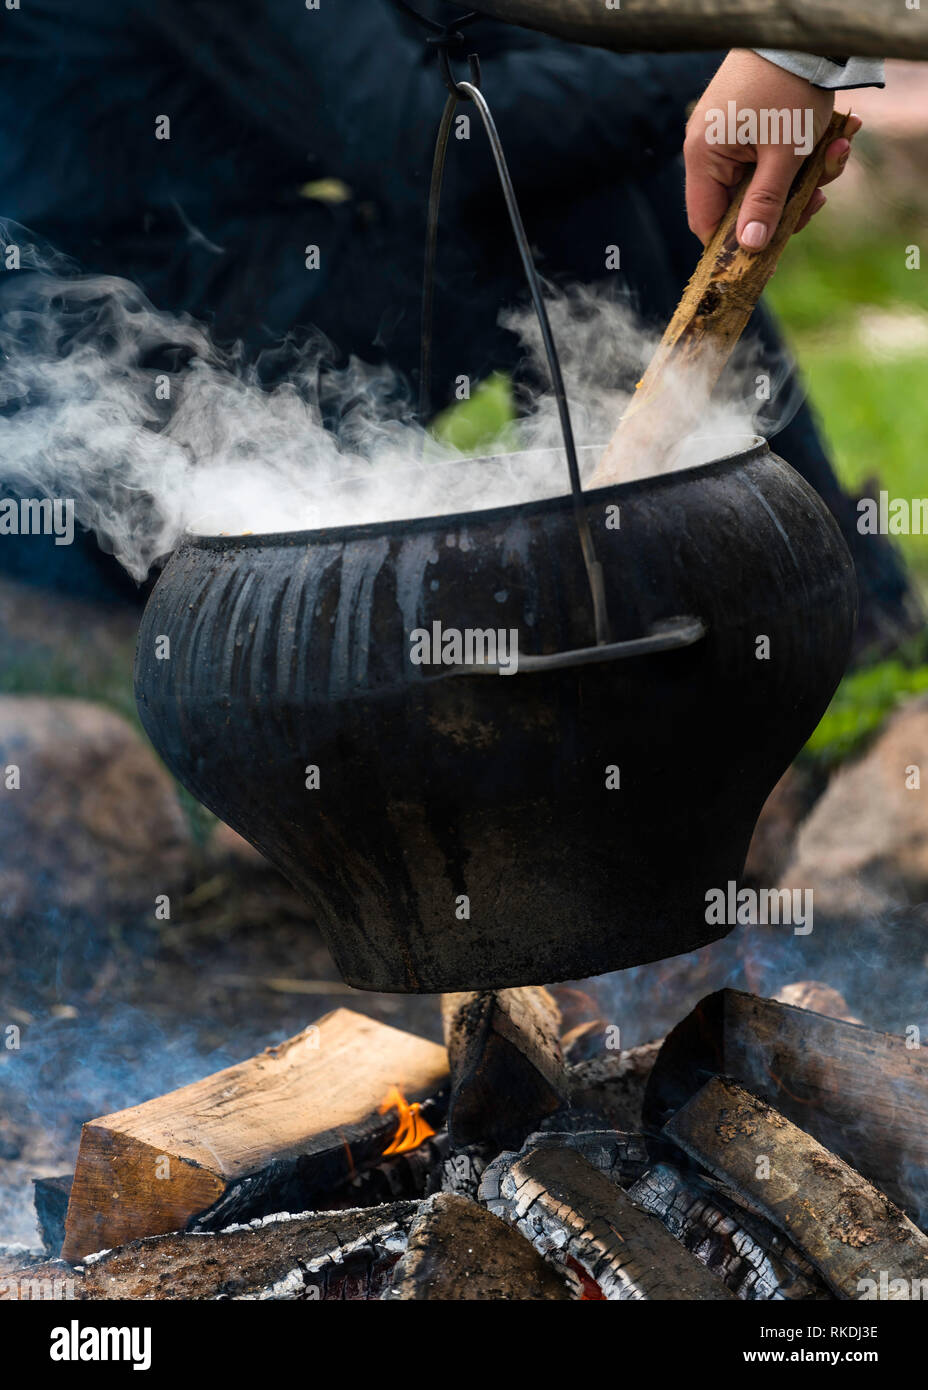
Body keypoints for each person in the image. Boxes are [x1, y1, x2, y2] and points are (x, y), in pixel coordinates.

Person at [0, 2, 916, 646]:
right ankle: (777, 595)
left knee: (589, 152)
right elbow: (421, 135)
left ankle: (789, 584)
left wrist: (765, 67)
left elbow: (482, 42)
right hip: (107, 405)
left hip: (213, 282)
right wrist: (725, 67)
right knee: (555, 195)